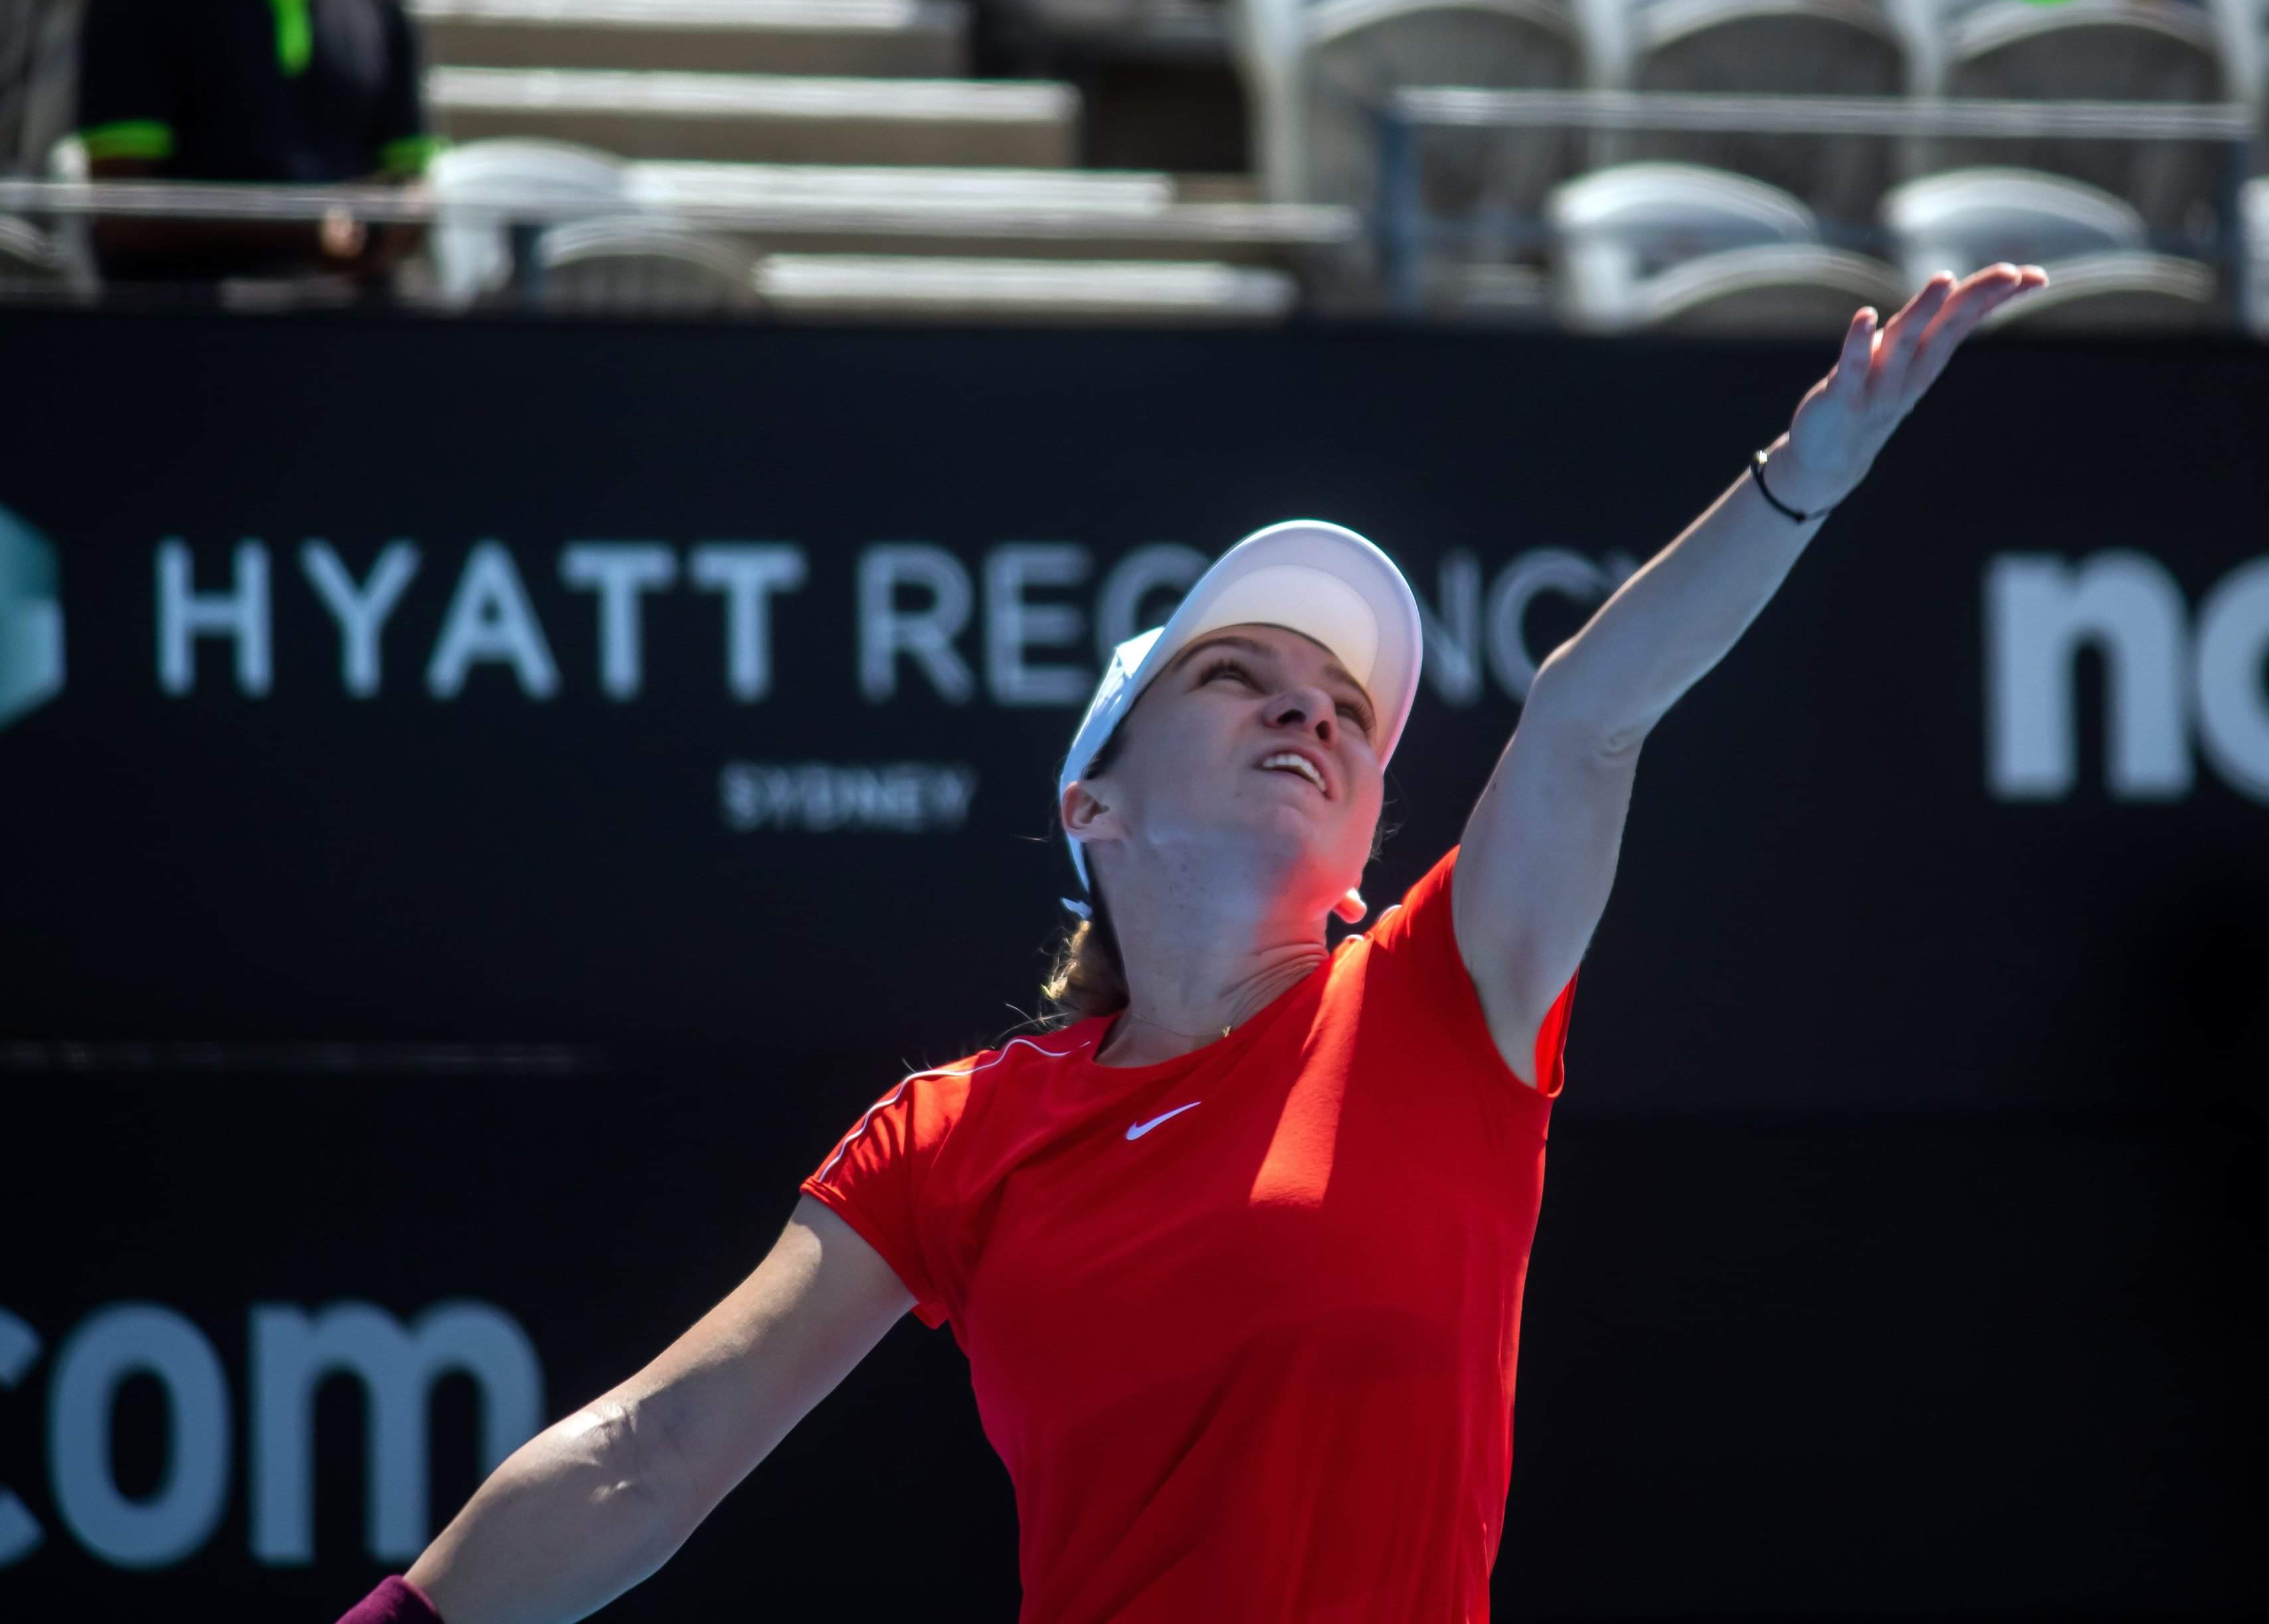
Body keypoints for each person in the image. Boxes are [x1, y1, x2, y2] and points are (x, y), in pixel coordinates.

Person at [327, 261, 2049, 1624]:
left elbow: (1591, 716)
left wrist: (1796, 485)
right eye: (1241, 677)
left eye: (1346, 708)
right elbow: (656, 1453)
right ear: (1096, 806)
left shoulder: (1453, 996)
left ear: (1374, 831)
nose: (1310, 706)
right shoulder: (954, 1139)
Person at [74, 0, 435, 288]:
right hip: (199, 343)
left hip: (358, 337)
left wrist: (398, 222)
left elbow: (413, 175)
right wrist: (301, 235)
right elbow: (124, 218)